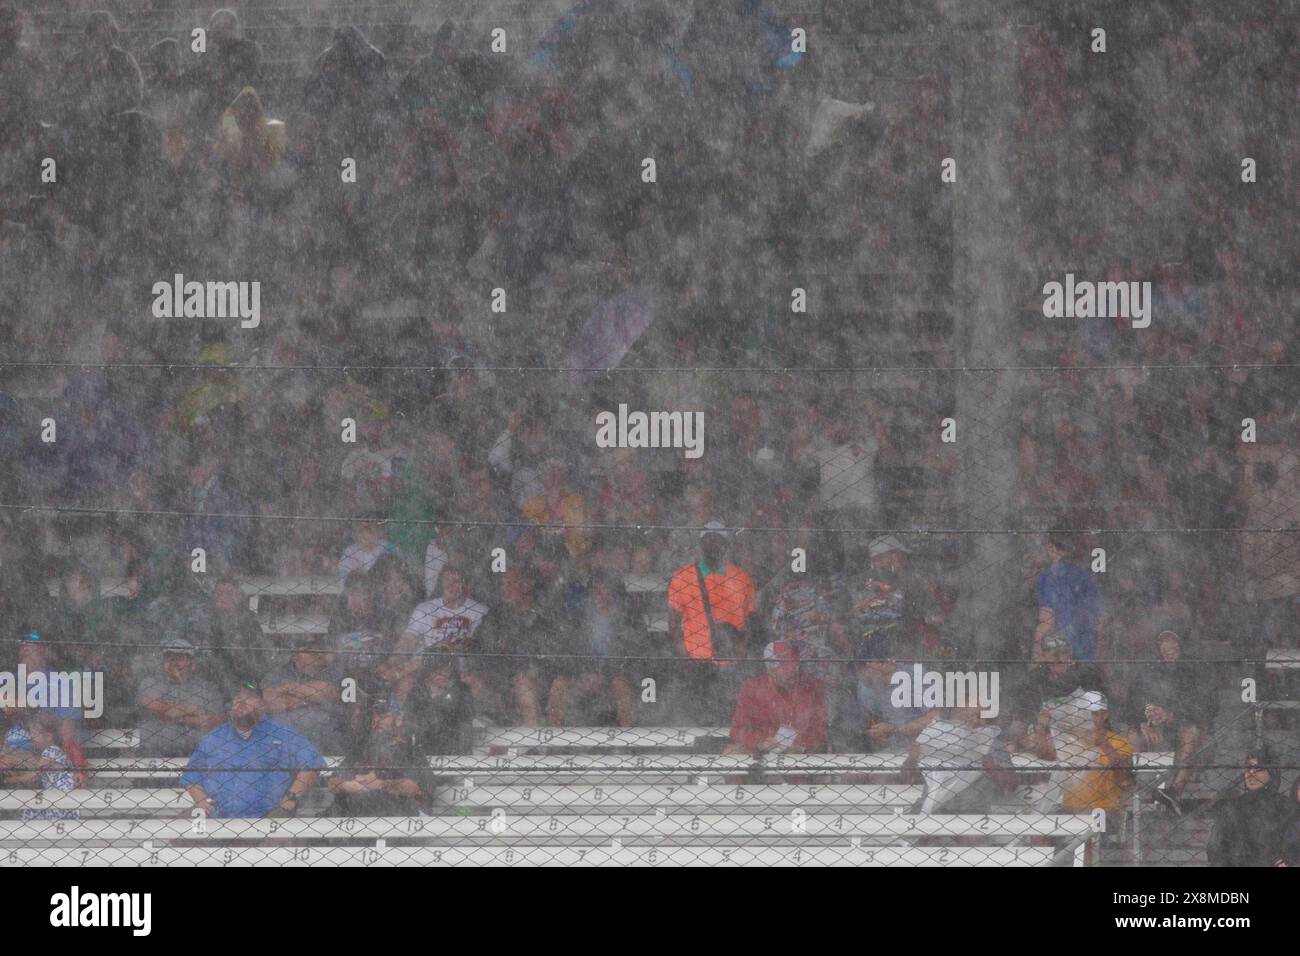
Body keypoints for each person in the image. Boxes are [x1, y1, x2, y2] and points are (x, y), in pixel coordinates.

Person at [181, 682, 326, 819]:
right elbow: (192, 775)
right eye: (238, 698)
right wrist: (201, 801)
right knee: (180, 832)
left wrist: (288, 802)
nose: (241, 702)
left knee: (283, 839)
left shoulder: (282, 734)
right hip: (219, 817)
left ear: (262, 706)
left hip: (268, 817)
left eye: (249, 698)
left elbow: (311, 765)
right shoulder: (214, 737)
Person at [668, 521, 756, 721]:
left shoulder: (742, 579)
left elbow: (748, 623)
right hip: (696, 665)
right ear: (701, 545)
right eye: (708, 541)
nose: (713, 546)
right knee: (697, 721)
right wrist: (685, 657)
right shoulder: (682, 578)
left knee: (729, 719)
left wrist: (740, 657)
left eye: (718, 541)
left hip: (730, 666)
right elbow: (673, 623)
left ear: (726, 546)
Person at [329, 684, 437, 816]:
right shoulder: (362, 749)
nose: (376, 720)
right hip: (357, 814)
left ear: (398, 719)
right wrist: (348, 786)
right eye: (373, 715)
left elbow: (413, 788)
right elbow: (332, 783)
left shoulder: (411, 752)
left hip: (395, 816)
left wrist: (380, 784)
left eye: (383, 715)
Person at [724, 641, 826, 755]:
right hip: (761, 753)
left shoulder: (812, 687)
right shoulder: (753, 688)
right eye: (786, 667)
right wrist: (760, 743)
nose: (793, 671)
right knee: (731, 752)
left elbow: (820, 731)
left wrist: (801, 744)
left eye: (796, 665)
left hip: (800, 754)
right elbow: (737, 731)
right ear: (771, 670)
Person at [135, 638, 225, 757]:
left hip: (197, 754)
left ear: (192, 663)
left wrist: (182, 718)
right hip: (156, 753)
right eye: (169, 658)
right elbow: (155, 707)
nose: (173, 662)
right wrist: (193, 710)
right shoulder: (151, 682)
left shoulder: (206, 688)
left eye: (180, 658)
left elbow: (218, 721)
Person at [1204, 746, 1292, 867]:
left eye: (1258, 768)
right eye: (1249, 768)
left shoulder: (1286, 807)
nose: (1251, 773)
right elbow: (1216, 848)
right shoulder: (1233, 806)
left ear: (1272, 772)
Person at [262, 634, 349, 755]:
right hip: (285, 740)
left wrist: (288, 688)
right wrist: (309, 697)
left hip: (326, 738)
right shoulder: (278, 673)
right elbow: (270, 702)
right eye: (308, 649)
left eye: (317, 647)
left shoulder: (332, 671)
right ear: (295, 655)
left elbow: (329, 692)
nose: (316, 652)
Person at [1034, 531, 1102, 662]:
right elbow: (1099, 619)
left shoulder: (1049, 576)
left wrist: (1036, 658)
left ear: (1050, 547)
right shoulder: (1087, 575)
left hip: (1060, 651)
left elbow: (1046, 620)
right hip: (1086, 649)